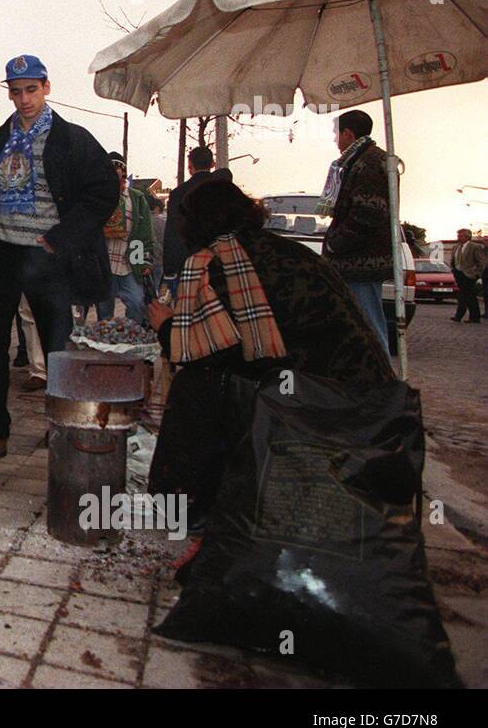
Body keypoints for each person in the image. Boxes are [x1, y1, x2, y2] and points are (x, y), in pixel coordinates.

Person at [146, 178, 393, 521]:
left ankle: (185, 505)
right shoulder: (285, 249)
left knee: (198, 385)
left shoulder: (217, 261)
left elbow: (208, 351)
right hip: (374, 405)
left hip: (322, 407)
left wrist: (166, 326)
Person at [0, 54, 118, 469]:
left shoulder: (73, 140)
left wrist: (60, 238)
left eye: (31, 90)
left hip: (47, 254)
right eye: (16, 92)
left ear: (46, 87)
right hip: (0, 249)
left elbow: (103, 193)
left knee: (57, 348)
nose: (24, 99)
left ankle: (61, 426)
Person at [318, 109, 391, 346]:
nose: (335, 140)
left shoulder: (369, 163)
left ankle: (382, 380)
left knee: (368, 325)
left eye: (336, 134)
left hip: (361, 262)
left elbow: (367, 215)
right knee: (359, 326)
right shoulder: (356, 161)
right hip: (357, 261)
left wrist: (334, 243)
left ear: (348, 134)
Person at [95, 152, 156, 325]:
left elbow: (143, 232)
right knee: (104, 309)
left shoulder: (136, 198)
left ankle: (132, 335)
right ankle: (106, 344)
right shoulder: (98, 196)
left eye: (118, 168)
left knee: (137, 302)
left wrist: (144, 261)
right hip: (105, 260)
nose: (115, 172)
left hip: (129, 261)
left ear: (123, 171)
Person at [162, 145, 229, 295]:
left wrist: (169, 269)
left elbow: (173, 233)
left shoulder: (178, 194)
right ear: (212, 164)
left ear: (190, 165)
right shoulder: (225, 189)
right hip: (221, 261)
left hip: (188, 264)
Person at [450, 228, 486, 324]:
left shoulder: (475, 247)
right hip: (458, 274)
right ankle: (462, 316)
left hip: (470, 275)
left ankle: (472, 317)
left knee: (469, 296)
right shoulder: (456, 247)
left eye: (460, 236)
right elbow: (453, 260)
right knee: (464, 295)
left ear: (467, 237)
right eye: (458, 236)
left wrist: (477, 274)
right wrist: (453, 270)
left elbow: (482, 262)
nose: (458, 238)